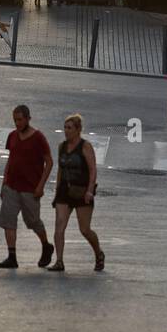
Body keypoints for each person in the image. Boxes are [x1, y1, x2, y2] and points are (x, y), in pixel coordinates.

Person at [0, 105, 54, 270]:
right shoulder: (12, 136)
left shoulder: (38, 138)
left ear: (28, 118)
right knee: (8, 221)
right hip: (11, 186)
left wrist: (41, 185)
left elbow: (49, 161)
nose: (17, 123)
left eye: (20, 119)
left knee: (33, 221)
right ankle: (12, 256)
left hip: (30, 188)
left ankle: (46, 246)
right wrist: (3, 183)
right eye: (15, 120)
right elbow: (11, 159)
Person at [48, 114, 104, 274]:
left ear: (78, 130)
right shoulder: (62, 147)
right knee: (59, 225)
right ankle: (59, 261)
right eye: (65, 128)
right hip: (65, 191)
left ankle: (99, 253)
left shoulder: (85, 147)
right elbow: (60, 169)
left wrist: (90, 191)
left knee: (85, 229)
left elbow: (92, 170)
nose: (66, 131)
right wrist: (57, 191)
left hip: (81, 191)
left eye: (70, 128)